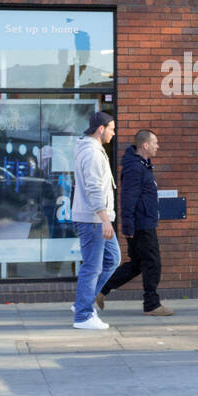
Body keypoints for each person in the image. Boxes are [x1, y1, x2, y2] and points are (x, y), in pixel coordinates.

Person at [99, 129, 173, 316]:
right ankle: (151, 304)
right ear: (145, 145)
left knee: (138, 264)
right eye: (155, 143)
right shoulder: (135, 167)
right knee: (152, 263)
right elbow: (128, 198)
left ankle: (101, 289)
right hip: (141, 225)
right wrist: (128, 226)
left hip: (144, 222)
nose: (158, 146)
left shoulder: (143, 164)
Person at [70, 111, 119, 329]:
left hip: (97, 219)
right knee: (92, 266)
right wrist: (105, 220)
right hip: (94, 220)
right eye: (112, 129)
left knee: (113, 259)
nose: (114, 133)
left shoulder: (94, 151)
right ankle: (83, 316)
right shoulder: (92, 154)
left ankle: (84, 301)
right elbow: (93, 189)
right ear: (101, 129)